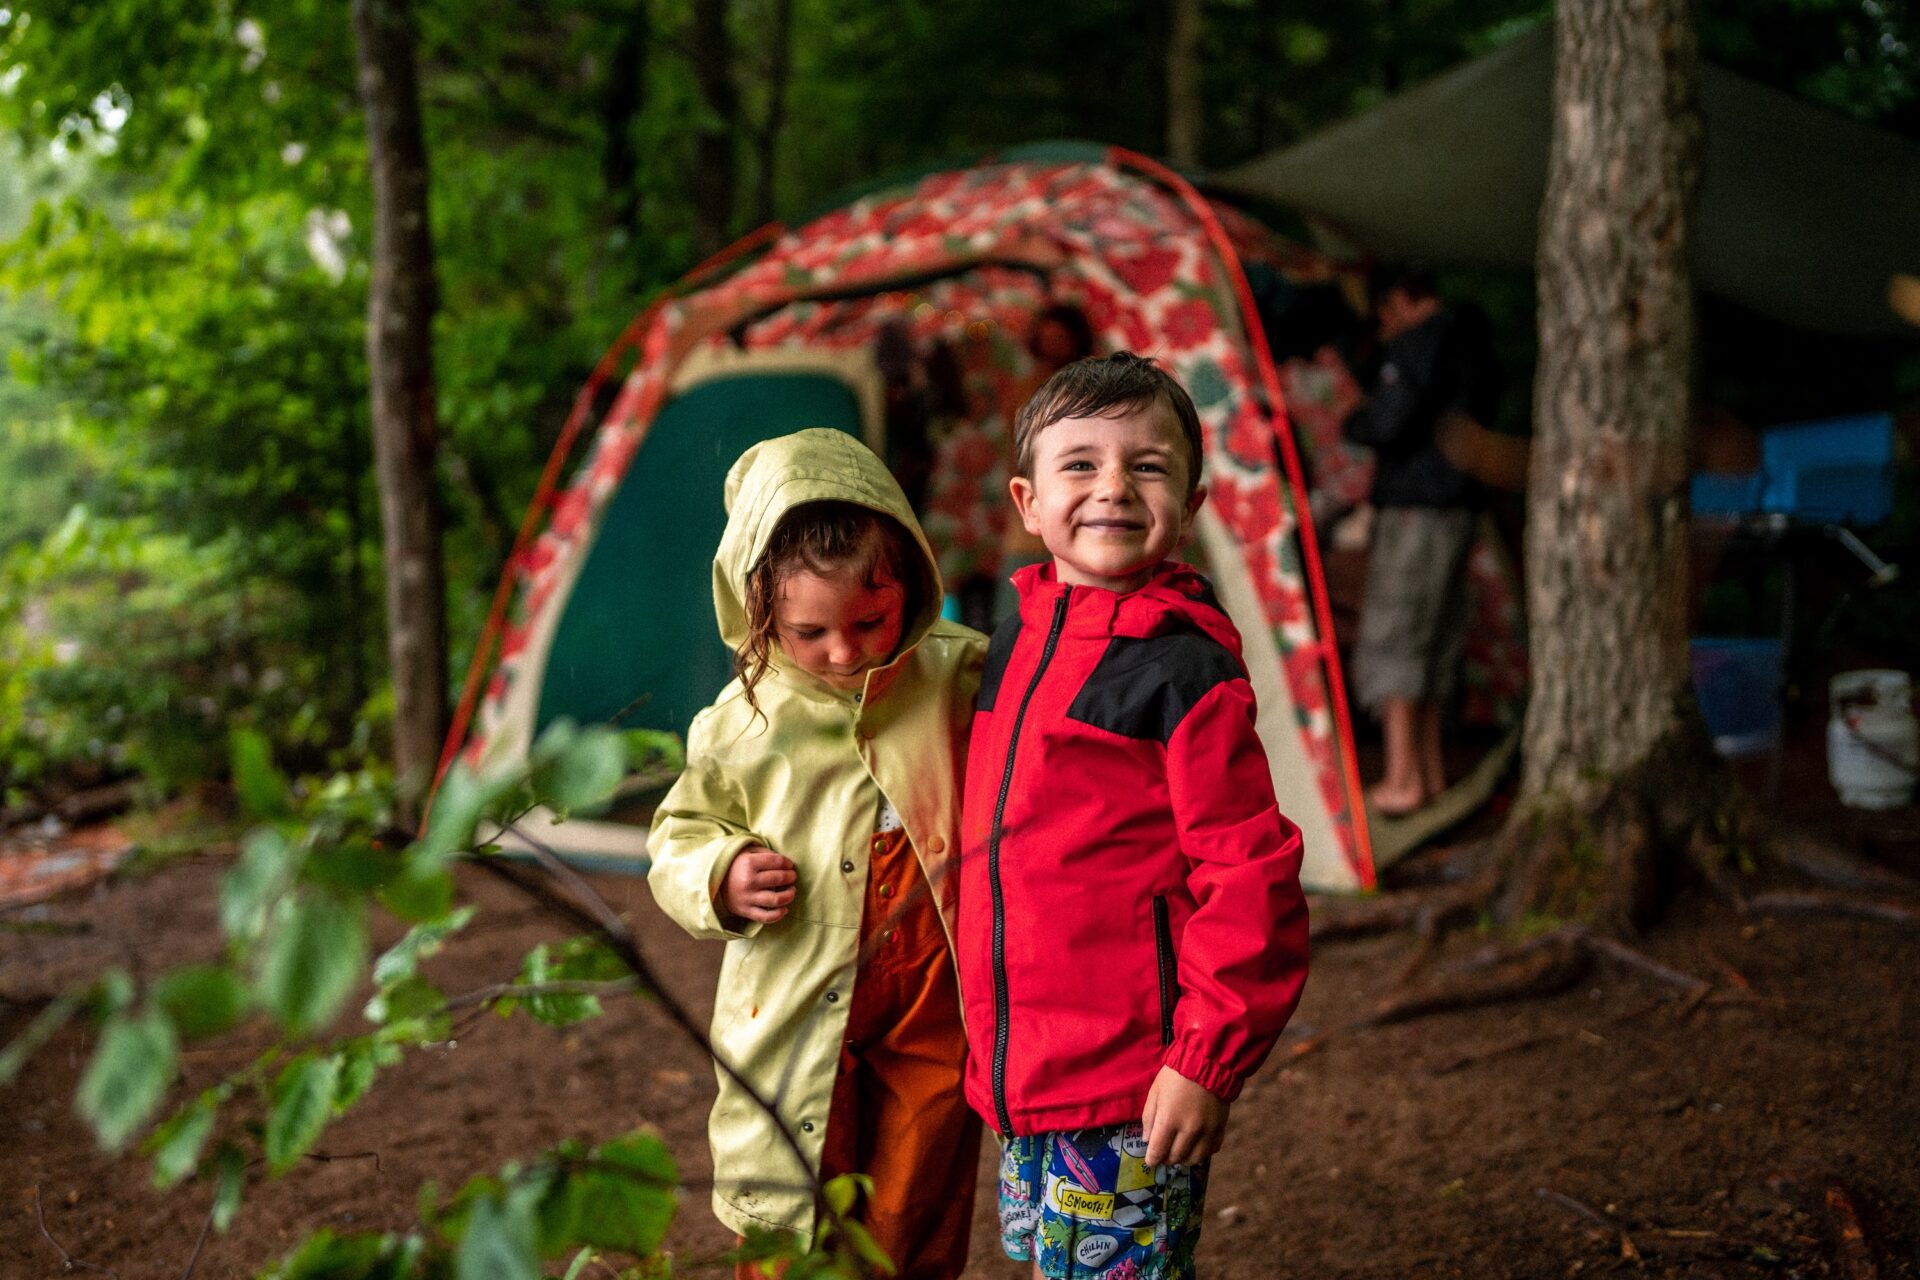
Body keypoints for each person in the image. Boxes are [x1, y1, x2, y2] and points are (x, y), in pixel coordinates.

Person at [957, 353, 1311, 1279]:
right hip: (1021, 1072)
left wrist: (1203, 1060)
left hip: (1125, 1082)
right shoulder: (1010, 646)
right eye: (1081, 463)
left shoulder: (1183, 670)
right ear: (1028, 503)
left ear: (1189, 505)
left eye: (1147, 465)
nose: (1112, 486)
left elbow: (1251, 873)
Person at [647, 428, 986, 1279]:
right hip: (793, 990)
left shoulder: (958, 673)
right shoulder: (740, 721)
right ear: (759, 612)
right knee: (792, 1185)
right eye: (810, 632)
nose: (845, 652)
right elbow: (679, 834)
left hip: (932, 986)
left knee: (920, 1177)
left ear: (905, 580)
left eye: (869, 622)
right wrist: (719, 874)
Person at [1341, 265, 1499, 816]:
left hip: (1416, 507)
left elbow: (1389, 423)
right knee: (1434, 639)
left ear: (1406, 300)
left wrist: (1355, 421)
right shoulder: (1471, 340)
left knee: (1395, 636)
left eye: (1385, 310)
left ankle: (1401, 779)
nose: (1384, 324)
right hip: (1457, 509)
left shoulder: (1417, 343)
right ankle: (1428, 774)